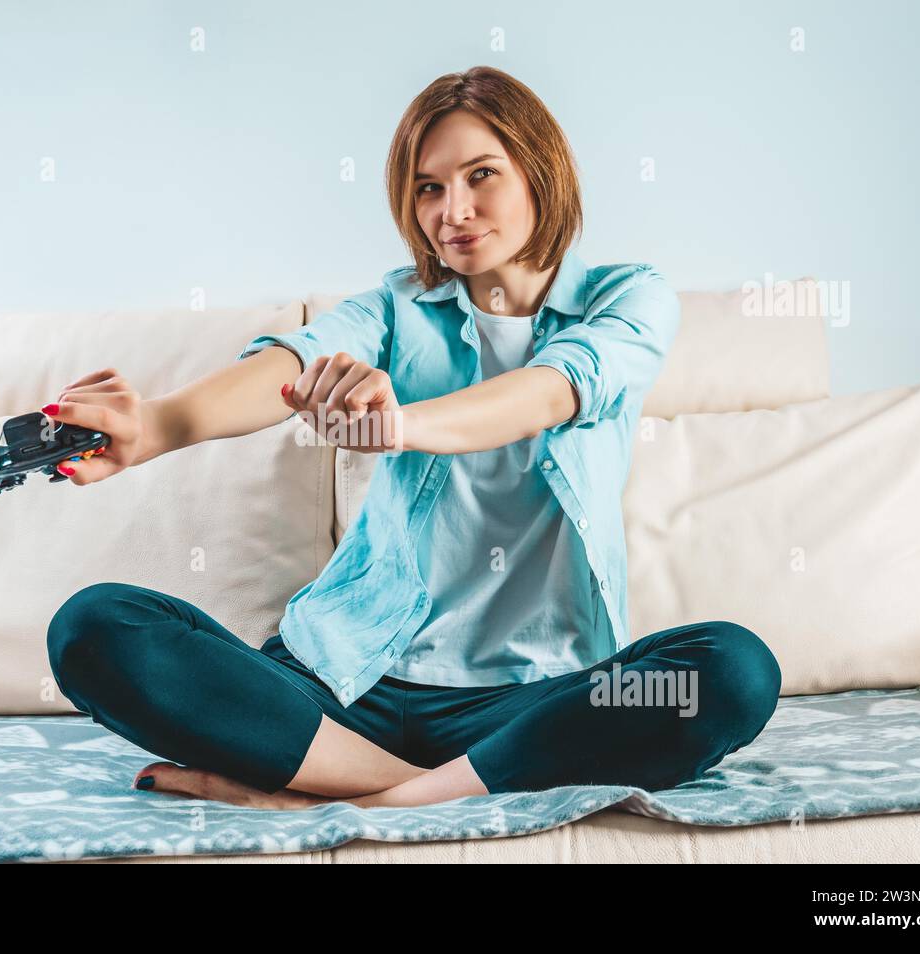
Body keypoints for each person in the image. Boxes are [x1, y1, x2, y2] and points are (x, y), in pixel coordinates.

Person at [45, 66, 782, 810]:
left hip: (530, 705)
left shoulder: (626, 298)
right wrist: (157, 426)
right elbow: (289, 362)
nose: (451, 210)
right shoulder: (398, 308)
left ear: (541, 173)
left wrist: (403, 425)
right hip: (340, 689)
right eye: (428, 188)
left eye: (480, 175)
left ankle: (344, 799)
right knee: (95, 628)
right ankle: (426, 792)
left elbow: (553, 390)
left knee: (731, 670)